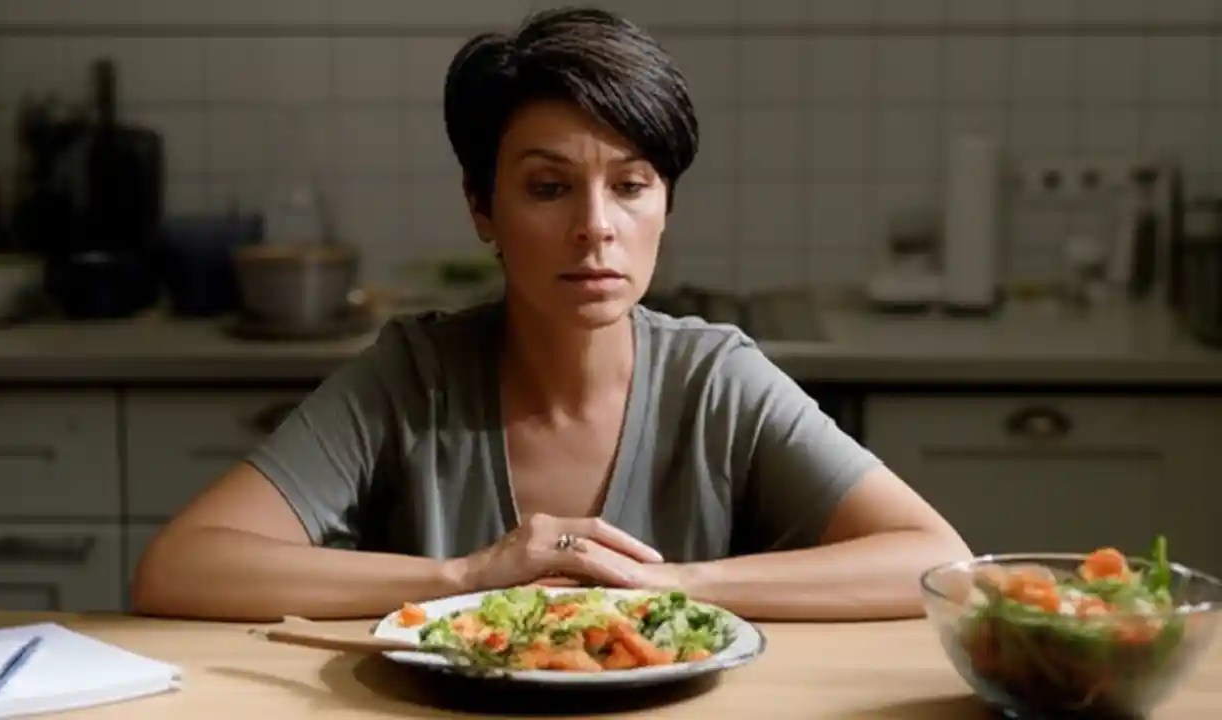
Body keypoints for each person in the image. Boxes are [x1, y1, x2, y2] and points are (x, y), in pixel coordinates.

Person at [132, 7, 971, 623]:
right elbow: (180, 569)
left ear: (666, 204)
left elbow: (936, 560)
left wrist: (676, 583)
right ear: (482, 209)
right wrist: (467, 575)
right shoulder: (410, 379)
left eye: (632, 185)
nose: (596, 225)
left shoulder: (717, 379)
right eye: (547, 186)